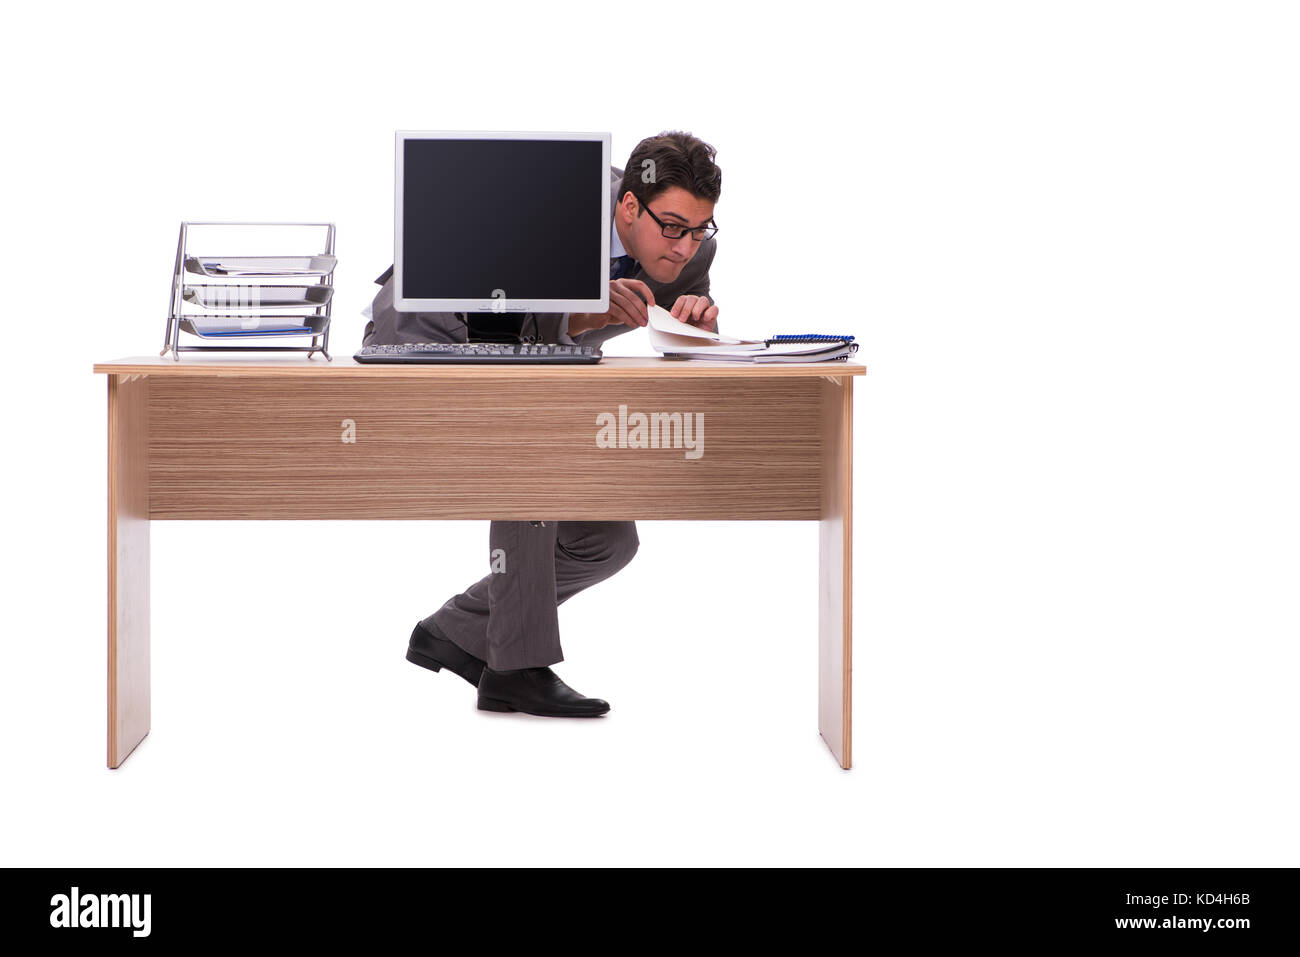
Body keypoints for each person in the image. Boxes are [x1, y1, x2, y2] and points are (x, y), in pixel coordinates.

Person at [363, 130, 722, 717]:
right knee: (529, 447)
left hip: (537, 363)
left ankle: (455, 630)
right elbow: (494, 318)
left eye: (700, 228)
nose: (685, 248)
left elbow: (677, 333)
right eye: (673, 227)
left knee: (605, 542)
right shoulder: (557, 199)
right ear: (629, 205)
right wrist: (579, 314)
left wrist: (696, 329)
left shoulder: (693, 252)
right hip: (428, 331)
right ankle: (515, 667)